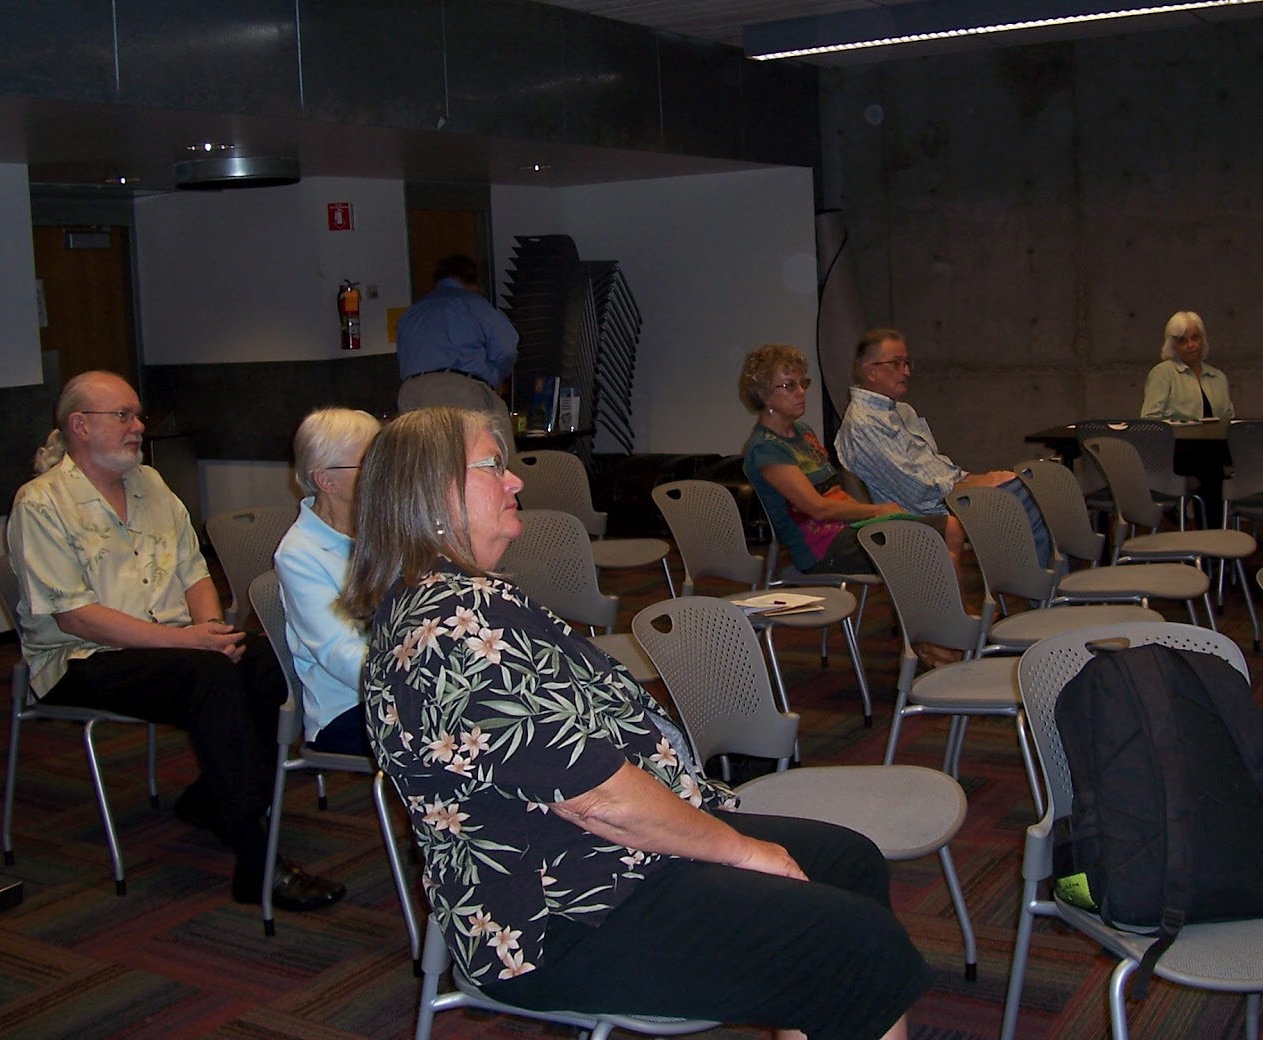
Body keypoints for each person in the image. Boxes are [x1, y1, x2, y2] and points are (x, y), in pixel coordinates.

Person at [343, 407, 926, 1040]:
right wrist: (742, 851)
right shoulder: (449, 632)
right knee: (857, 949)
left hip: (609, 859)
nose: (515, 481)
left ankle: (818, 1003)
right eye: (492, 466)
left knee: (849, 862)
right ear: (429, 495)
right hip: (557, 917)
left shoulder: (462, 597)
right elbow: (596, 800)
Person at [5, 371, 344, 911]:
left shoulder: (152, 485)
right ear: (79, 426)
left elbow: (194, 572)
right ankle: (255, 859)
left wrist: (210, 632)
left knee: (263, 660)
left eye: (137, 415)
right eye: (123, 416)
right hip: (83, 658)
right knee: (207, 675)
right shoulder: (42, 503)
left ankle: (216, 798)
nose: (138, 426)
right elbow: (76, 617)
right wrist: (187, 643)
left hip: (170, 646)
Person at [835, 328, 1052, 570]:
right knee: (1023, 497)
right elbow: (917, 491)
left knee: (1036, 485)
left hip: (947, 496)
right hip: (927, 511)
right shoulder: (863, 422)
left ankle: (1043, 586)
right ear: (871, 372)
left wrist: (977, 479)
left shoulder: (898, 411)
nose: (906, 371)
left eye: (907, 363)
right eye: (896, 364)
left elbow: (935, 468)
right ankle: (1042, 592)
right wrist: (976, 484)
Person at [739, 344, 912, 575]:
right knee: (920, 547)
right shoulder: (765, 448)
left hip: (847, 532)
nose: (801, 392)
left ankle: (945, 611)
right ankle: (937, 611)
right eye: (789, 386)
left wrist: (873, 516)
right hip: (821, 549)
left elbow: (834, 492)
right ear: (764, 395)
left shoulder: (803, 432)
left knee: (942, 531)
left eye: (803, 383)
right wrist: (876, 511)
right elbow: (817, 508)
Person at [273, 407, 381, 755]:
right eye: (369, 463)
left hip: (390, 685)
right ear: (326, 480)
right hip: (347, 706)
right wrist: (417, 683)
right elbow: (342, 656)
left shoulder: (378, 530)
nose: (383, 472)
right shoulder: (298, 555)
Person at [396, 254, 518, 430]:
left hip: (413, 394)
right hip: (459, 392)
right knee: (487, 447)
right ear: (472, 282)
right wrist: (496, 376)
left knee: (425, 454)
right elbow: (507, 347)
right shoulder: (474, 304)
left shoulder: (412, 313)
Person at [1140, 310, 1234, 421]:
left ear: (1203, 339)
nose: (1190, 345)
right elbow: (1150, 420)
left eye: (1195, 338)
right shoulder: (1163, 373)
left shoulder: (1218, 377)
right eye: (1182, 341)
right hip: (1175, 438)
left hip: (1217, 438)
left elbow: (1229, 421)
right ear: (1172, 345)